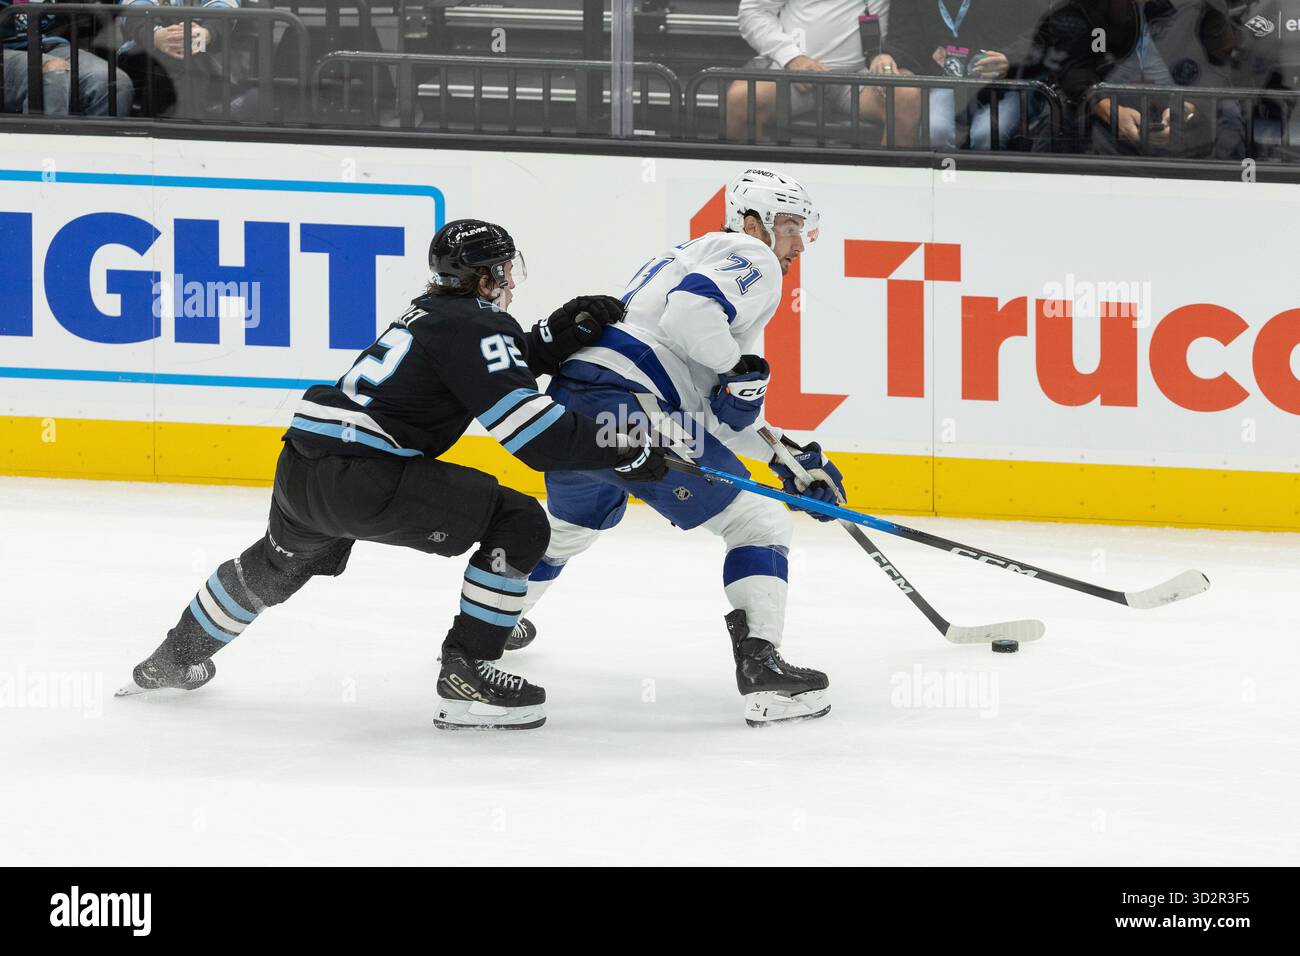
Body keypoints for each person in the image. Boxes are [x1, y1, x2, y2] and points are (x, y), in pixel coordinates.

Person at [116, 219, 666, 731]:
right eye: (506, 269)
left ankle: (172, 659)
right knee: (519, 521)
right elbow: (535, 438)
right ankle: (467, 677)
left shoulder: (427, 314)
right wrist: (624, 445)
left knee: (275, 566)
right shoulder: (477, 325)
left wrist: (553, 336)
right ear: (488, 276)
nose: (510, 282)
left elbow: (480, 364)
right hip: (363, 476)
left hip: (302, 471)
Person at [509, 168, 846, 728]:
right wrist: (737, 370)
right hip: (631, 402)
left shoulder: (696, 256)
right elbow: (691, 316)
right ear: (753, 220)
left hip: (577, 404)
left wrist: (788, 457)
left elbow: (713, 411)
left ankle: (495, 622)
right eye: (787, 225)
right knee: (760, 525)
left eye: (800, 230)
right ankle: (764, 677)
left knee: (572, 528)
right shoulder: (751, 256)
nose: (794, 243)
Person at [729, 0, 921, 146]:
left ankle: (888, 191)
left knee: (906, 96)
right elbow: (754, 12)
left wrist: (888, 54)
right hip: (795, 74)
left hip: (863, 76)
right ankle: (747, 191)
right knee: (742, 99)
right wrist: (791, 58)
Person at [882, 1, 1045, 150]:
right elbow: (906, 37)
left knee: (987, 135)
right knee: (935, 130)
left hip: (1011, 86)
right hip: (953, 82)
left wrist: (1010, 60)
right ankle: (946, 180)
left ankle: (983, 181)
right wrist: (890, 55)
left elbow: (1042, 34)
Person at [116, 0, 259, 119]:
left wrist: (206, 33)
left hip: (205, 57)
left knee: (187, 58)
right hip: (141, 53)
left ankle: (150, 131)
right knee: (184, 58)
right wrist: (155, 35)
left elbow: (222, 10)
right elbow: (134, 9)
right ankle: (189, 132)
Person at [0, 0, 133, 115]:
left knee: (115, 83)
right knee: (54, 71)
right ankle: (48, 144)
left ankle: (96, 144)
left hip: (50, 44)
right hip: (6, 48)